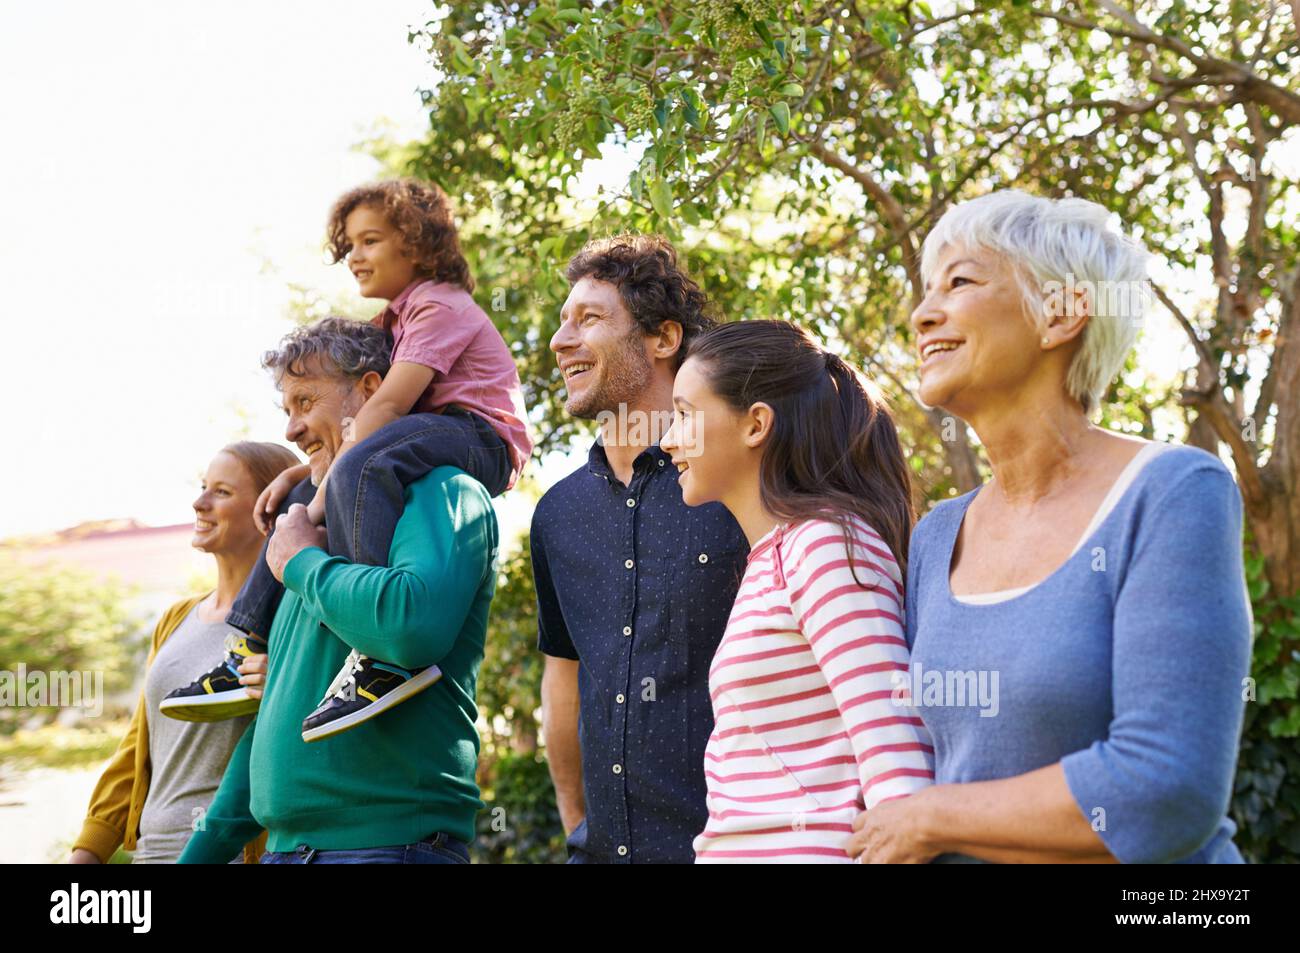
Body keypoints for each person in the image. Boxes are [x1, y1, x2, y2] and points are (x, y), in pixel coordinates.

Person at [846, 189, 1252, 863]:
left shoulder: (1175, 492)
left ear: (1061, 313)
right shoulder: (936, 535)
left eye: (960, 282)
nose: (922, 313)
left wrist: (929, 819)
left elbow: (1165, 788)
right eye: (926, 290)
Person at [163, 179, 531, 741]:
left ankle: (379, 655)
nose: (354, 257)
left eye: (370, 241)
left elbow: (384, 406)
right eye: (349, 245)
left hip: (481, 436)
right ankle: (246, 653)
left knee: (359, 467)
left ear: (417, 242)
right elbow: (362, 430)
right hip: (429, 432)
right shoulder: (393, 320)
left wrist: (313, 514)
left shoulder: (440, 305)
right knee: (305, 493)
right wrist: (300, 477)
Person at [178, 317, 497, 864]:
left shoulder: (442, 490)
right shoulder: (312, 527)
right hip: (288, 850)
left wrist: (301, 562)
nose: (292, 430)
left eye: (306, 402)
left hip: (387, 846)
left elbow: (409, 623)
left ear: (372, 391)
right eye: (287, 410)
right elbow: (278, 718)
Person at [659, 319, 935, 862]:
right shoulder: (775, 556)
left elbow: (895, 756)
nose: (668, 439)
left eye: (685, 416)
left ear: (756, 424)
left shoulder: (826, 543)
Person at [533, 234, 748, 863]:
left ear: (663, 339)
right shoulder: (557, 515)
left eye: (589, 318)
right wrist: (577, 825)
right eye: (563, 319)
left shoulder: (738, 485)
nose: (560, 339)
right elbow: (563, 675)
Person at [71, 442, 298, 864]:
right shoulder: (177, 617)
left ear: (270, 508)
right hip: (153, 856)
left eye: (222, 492)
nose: (199, 502)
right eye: (202, 487)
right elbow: (139, 746)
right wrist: (88, 851)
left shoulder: (293, 618)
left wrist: (286, 689)